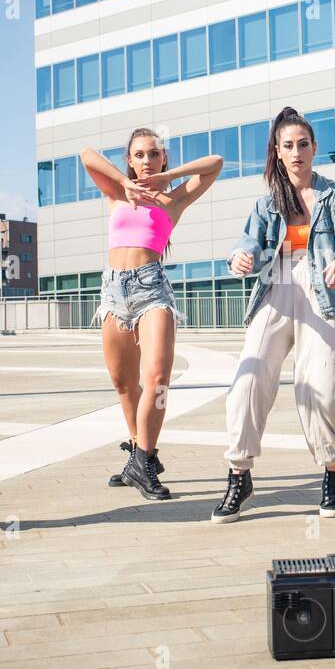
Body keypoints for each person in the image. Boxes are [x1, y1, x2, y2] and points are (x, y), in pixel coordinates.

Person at [212, 106, 335, 523]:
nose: (296, 152)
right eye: (287, 146)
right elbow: (246, 245)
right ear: (277, 153)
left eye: (303, 144)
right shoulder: (266, 205)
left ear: (314, 149)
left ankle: (333, 473)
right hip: (276, 289)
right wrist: (240, 258)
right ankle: (239, 474)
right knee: (248, 379)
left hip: (324, 293)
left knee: (321, 387)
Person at [80, 131, 222, 500]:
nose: (146, 160)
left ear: (163, 158)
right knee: (123, 382)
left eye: (154, 154)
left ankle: (143, 461)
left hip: (152, 290)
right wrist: (126, 182)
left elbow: (215, 164)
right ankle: (137, 455)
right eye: (139, 154)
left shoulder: (173, 200)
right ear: (129, 159)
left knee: (157, 379)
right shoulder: (116, 193)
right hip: (112, 291)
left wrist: (164, 179)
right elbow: (86, 153)